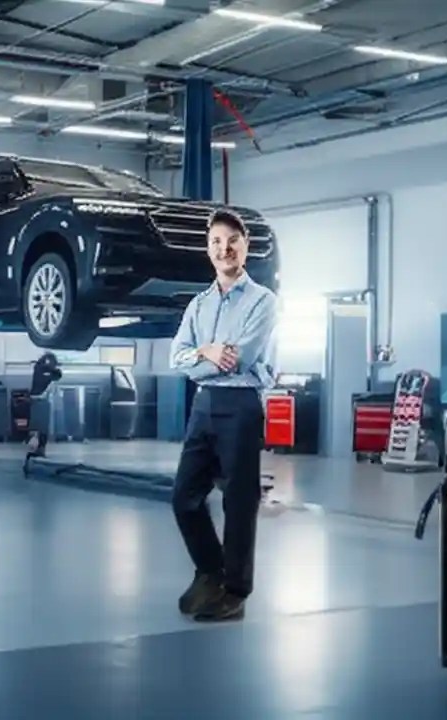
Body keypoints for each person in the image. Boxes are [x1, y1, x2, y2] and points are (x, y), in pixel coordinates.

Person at [168, 206, 278, 622]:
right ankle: (211, 570)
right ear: (208, 248)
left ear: (245, 246)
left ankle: (235, 591)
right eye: (216, 241)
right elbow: (176, 357)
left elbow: (240, 358)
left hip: (241, 406)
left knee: (239, 500)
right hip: (204, 405)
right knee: (183, 497)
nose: (224, 248)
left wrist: (207, 356)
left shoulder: (262, 302)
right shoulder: (198, 304)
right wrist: (205, 351)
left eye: (232, 240)